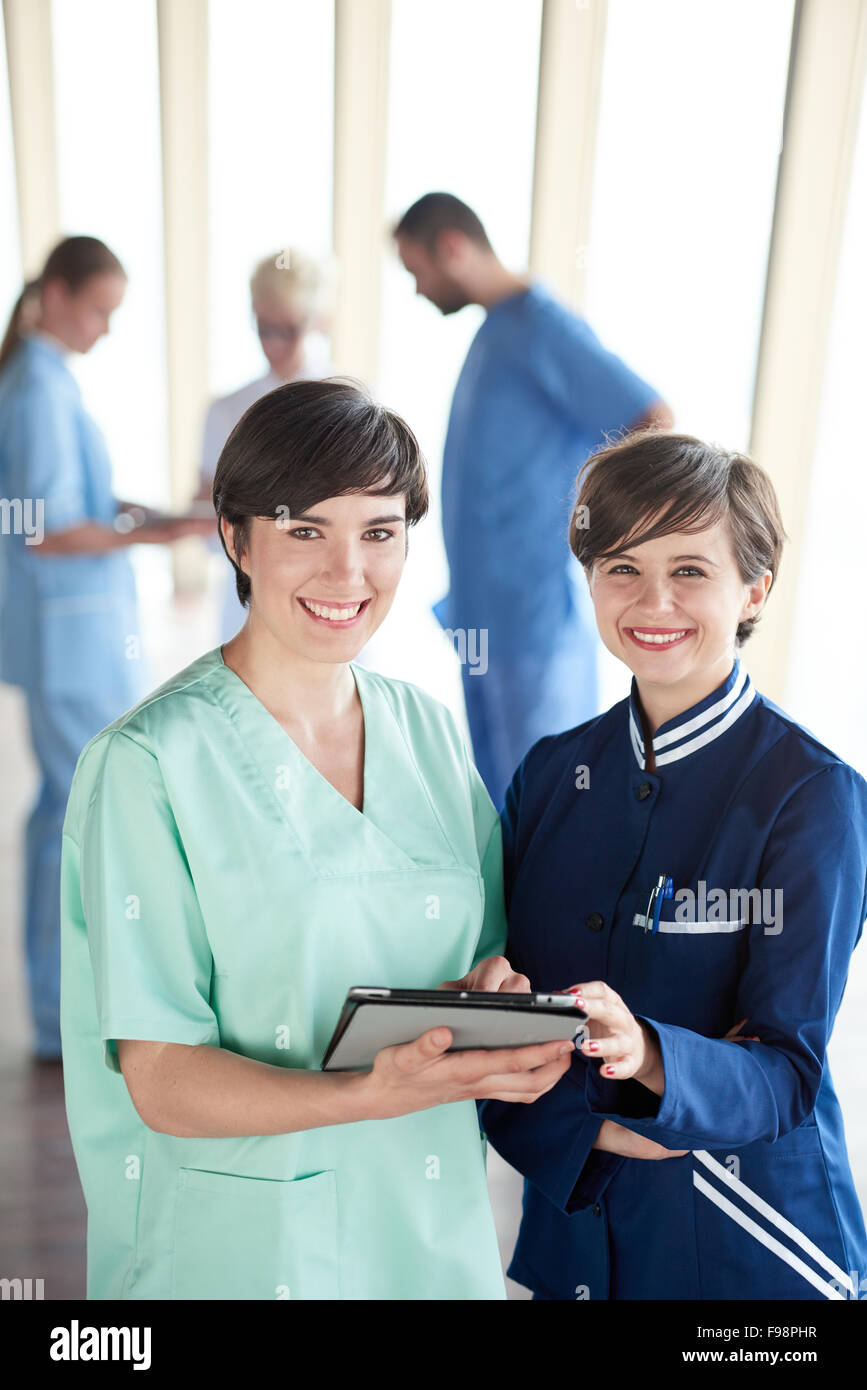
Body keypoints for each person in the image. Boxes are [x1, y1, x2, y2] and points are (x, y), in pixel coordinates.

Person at [59, 378, 574, 1300]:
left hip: (424, 1224)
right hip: (243, 1249)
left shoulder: (424, 729)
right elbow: (162, 1079)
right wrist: (360, 1097)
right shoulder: (147, 765)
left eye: (379, 532)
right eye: (306, 531)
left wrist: (490, 993)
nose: (349, 573)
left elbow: (482, 953)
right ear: (235, 538)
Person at [477, 430, 867, 1300]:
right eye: (620, 566)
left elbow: (785, 1073)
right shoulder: (549, 776)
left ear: (752, 590)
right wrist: (603, 1125)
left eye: (690, 570)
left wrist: (649, 1055)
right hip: (574, 1245)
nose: (652, 600)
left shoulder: (810, 796)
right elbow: (495, 1025)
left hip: (750, 1250)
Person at [0, 235, 210, 1061]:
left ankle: (63, 1009)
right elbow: (47, 530)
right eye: (99, 310)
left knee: (65, 809)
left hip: (73, 635)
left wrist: (157, 516)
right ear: (55, 293)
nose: (105, 329)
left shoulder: (43, 382)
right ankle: (60, 1016)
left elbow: (78, 503)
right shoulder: (37, 389)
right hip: (70, 635)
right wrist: (163, 535)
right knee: (73, 815)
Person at [393, 192, 673, 810]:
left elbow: (650, 418)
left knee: (555, 804)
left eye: (417, 271)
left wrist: (602, 537)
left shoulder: (545, 326)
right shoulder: (496, 333)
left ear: (452, 248)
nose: (417, 289)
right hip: (483, 615)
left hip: (533, 615)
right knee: (503, 802)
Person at [196, 248, 335, 642]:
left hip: (329, 596)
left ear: (320, 321)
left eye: (288, 329)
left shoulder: (354, 407)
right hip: (248, 602)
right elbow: (209, 515)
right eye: (264, 328)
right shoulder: (225, 411)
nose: (275, 344)